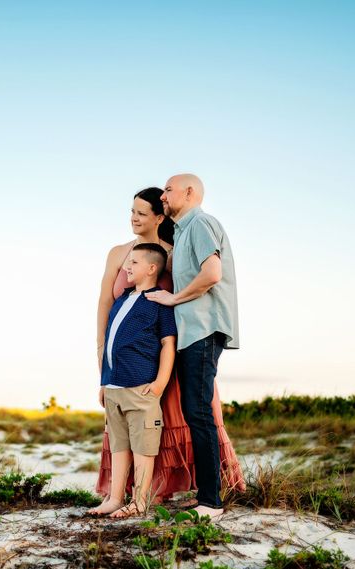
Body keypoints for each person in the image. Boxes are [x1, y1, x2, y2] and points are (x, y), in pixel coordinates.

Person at [90, 188, 244, 516]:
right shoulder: (119, 254)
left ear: (160, 217)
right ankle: (127, 495)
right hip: (124, 361)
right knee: (127, 424)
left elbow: (200, 289)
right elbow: (105, 304)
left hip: (169, 354)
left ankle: (184, 492)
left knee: (180, 417)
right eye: (131, 211)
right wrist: (102, 353)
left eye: (141, 213)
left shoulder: (175, 253)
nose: (133, 218)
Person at [146, 174, 240, 520]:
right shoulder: (183, 231)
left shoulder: (200, 222)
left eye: (168, 189)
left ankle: (212, 503)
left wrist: (174, 299)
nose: (163, 195)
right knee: (195, 411)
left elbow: (212, 273)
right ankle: (206, 495)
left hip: (203, 328)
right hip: (192, 331)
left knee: (198, 412)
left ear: (189, 193)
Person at [93, 243, 177, 518]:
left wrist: (161, 382)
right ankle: (115, 498)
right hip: (114, 386)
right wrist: (104, 382)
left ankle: (139, 501)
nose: (127, 266)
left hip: (141, 388)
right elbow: (110, 341)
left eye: (134, 262)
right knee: (118, 446)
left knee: (143, 447)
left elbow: (168, 343)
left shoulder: (158, 302)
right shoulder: (122, 299)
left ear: (152, 268)